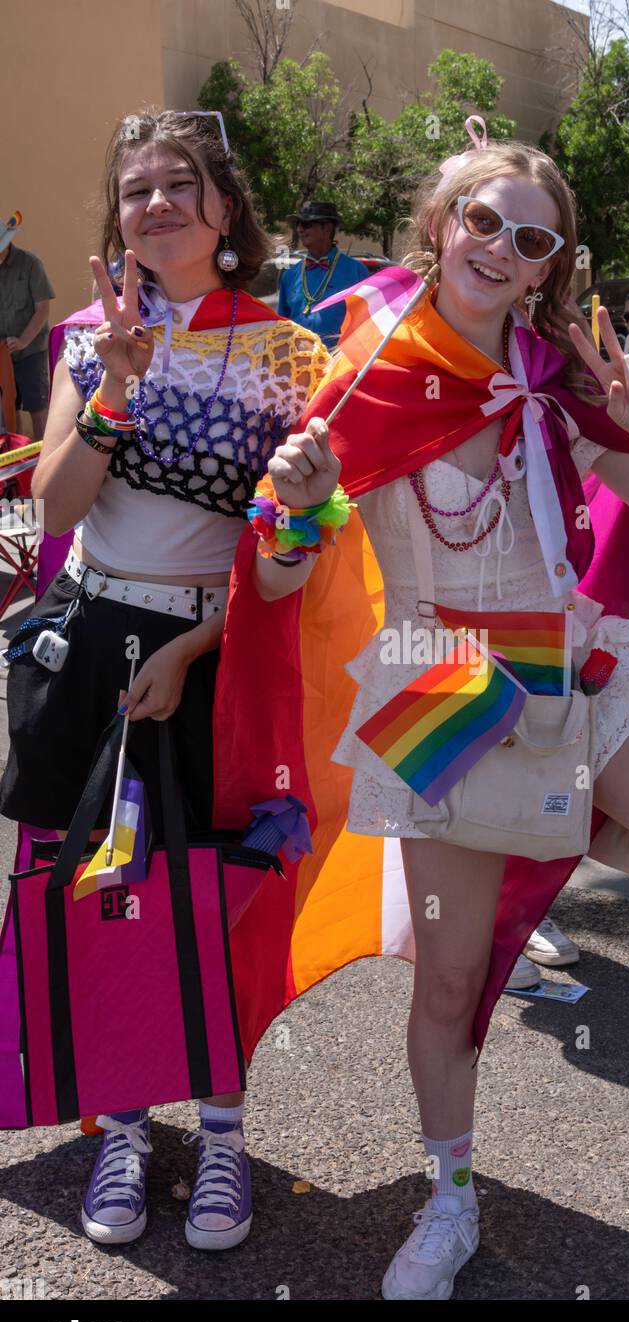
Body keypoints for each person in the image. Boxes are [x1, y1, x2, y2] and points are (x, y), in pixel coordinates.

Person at [252, 136, 629, 1301]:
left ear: (548, 269)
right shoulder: (366, 375)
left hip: (577, 666)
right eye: (484, 220)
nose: (502, 248)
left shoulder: (560, 375)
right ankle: (450, 1196)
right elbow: (282, 579)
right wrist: (293, 506)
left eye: (532, 239)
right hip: (437, 686)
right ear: (440, 223)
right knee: (449, 980)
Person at [0, 110, 331, 1249]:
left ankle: (227, 1133)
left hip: (215, 657)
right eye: (136, 190)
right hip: (89, 647)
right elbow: (52, 507)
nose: (156, 205)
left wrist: (200, 648)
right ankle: (125, 1129)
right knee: (107, 898)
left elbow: (295, 555)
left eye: (180, 185)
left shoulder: (292, 355)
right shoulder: (90, 335)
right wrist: (118, 388)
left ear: (225, 212)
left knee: (211, 898)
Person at [277, 200, 368, 349]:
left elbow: (367, 323)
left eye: (306, 224)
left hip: (340, 363)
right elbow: (282, 326)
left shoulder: (356, 271)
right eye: (298, 223)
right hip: (298, 363)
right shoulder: (290, 276)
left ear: (327, 228)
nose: (300, 229)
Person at [0, 213, 55, 439]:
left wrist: (23, 339)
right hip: (1, 353)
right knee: (8, 411)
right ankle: (17, 463)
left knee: (38, 407)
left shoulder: (31, 264)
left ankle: (43, 462)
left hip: (31, 350)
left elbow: (43, 308)